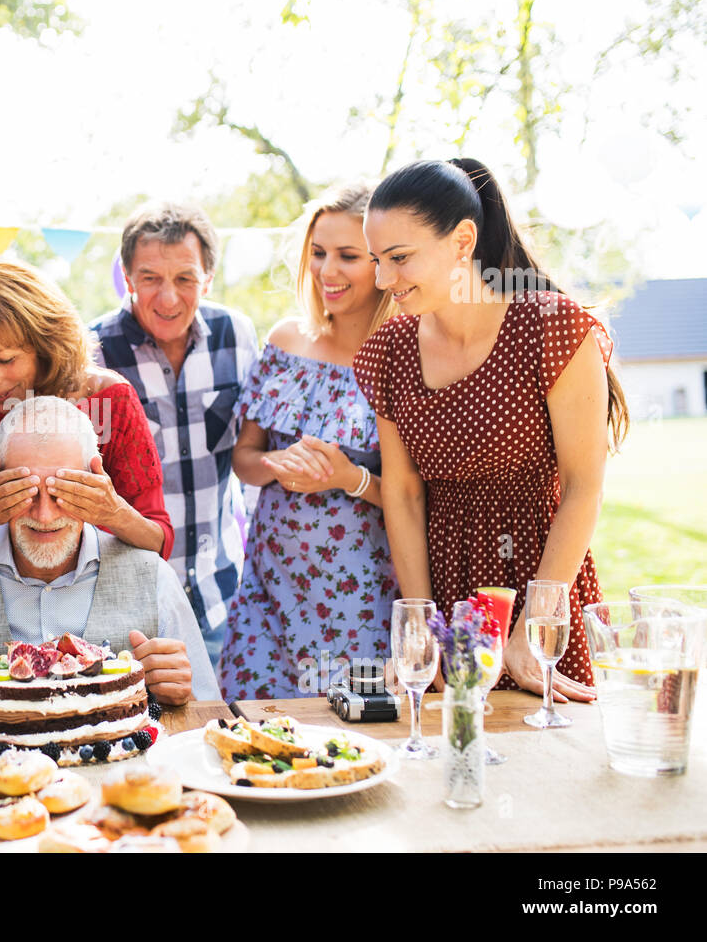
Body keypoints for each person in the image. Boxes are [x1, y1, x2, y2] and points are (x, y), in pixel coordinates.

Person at [354, 158, 628, 701]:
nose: (384, 280)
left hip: (541, 579)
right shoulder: (389, 351)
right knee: (447, 764)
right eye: (376, 261)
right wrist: (420, 628)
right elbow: (404, 495)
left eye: (400, 258)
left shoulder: (553, 326)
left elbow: (582, 487)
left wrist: (534, 621)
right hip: (447, 587)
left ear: (461, 241)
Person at [0, 397, 218, 716]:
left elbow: (204, 713)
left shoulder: (154, 578)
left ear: (94, 482)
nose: (43, 516)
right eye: (25, 492)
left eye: (62, 492)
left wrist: (182, 697)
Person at [220, 185, 400, 700]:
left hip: (363, 599)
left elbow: (418, 501)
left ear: (383, 265)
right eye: (318, 253)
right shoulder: (285, 342)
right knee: (252, 738)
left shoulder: (404, 357)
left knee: (351, 742)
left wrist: (351, 479)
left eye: (347, 256)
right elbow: (244, 460)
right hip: (269, 592)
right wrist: (277, 462)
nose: (327, 271)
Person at [0, 260, 174, 583]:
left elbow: (160, 544)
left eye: (5, 360)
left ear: (46, 345)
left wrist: (112, 512)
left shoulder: (110, 401)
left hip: (98, 604)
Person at [90, 202, 259, 669]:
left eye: (185, 278)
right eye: (150, 278)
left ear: (207, 279)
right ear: (126, 277)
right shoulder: (93, 353)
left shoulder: (237, 335)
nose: (168, 298)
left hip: (220, 590)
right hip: (129, 602)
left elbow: (254, 456)